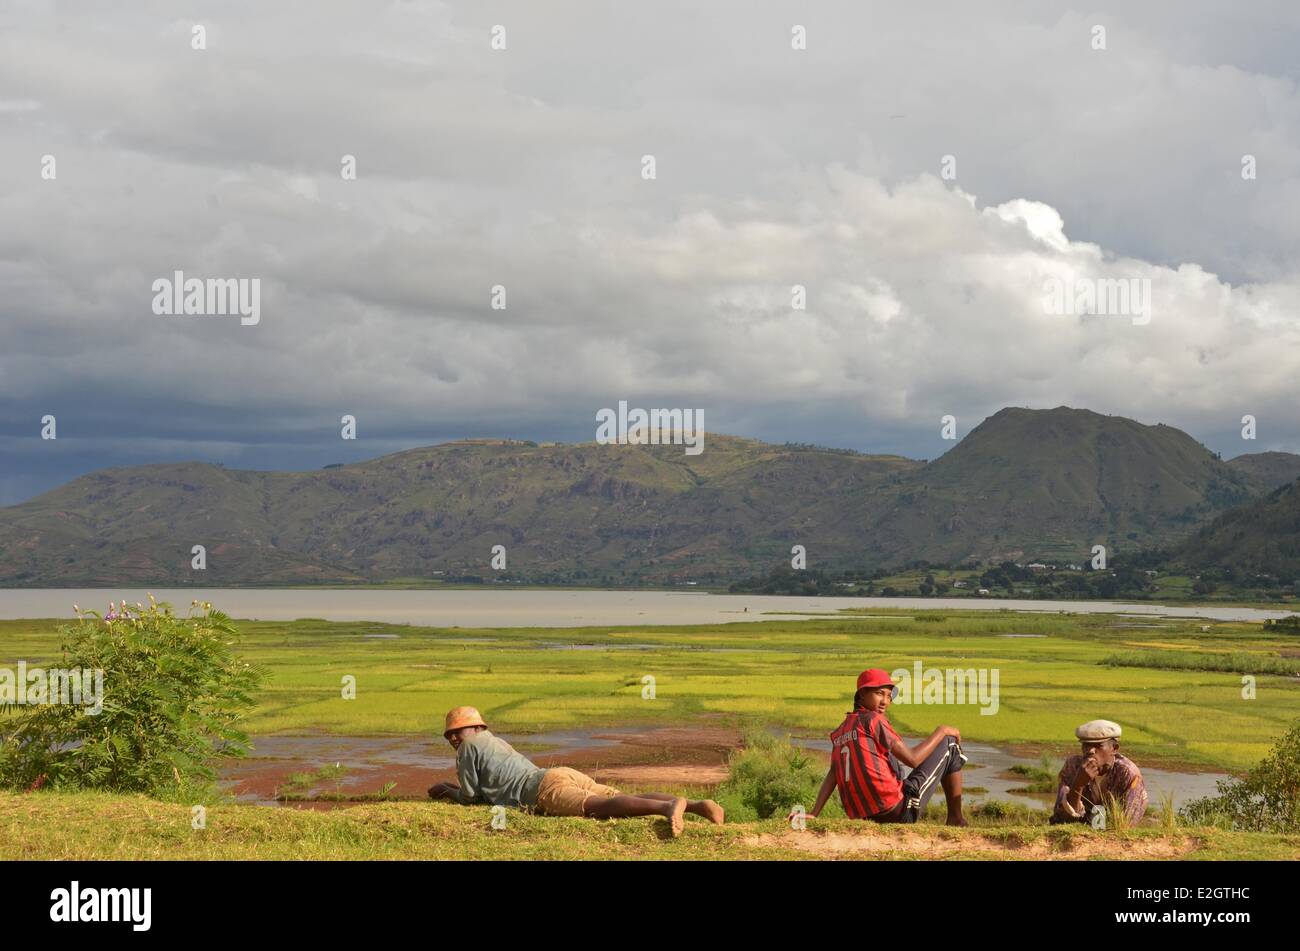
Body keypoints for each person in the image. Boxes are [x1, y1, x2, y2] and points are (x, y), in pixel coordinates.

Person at [427, 706, 725, 837]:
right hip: (559, 773)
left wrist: (445, 789)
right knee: (618, 797)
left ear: (475, 728)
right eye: (449, 735)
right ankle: (697, 806)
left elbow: (470, 798)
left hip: (544, 790)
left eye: (457, 731)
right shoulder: (494, 740)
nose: (454, 738)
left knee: (602, 808)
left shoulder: (468, 748)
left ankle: (668, 807)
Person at [799, 669, 968, 825]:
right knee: (949, 743)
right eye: (879, 694)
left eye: (889, 696)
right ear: (862, 694)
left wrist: (815, 812)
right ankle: (955, 818)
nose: (885, 702)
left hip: (865, 816)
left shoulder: (841, 731)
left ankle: (954, 818)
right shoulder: (874, 720)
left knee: (889, 759)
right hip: (898, 812)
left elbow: (834, 773)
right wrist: (941, 730)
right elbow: (913, 759)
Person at [1050, 719, 1147, 826]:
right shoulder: (1073, 766)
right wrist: (1078, 785)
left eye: (1098, 746)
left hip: (1111, 838)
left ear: (1114, 749)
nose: (1090, 751)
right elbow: (1061, 819)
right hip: (1079, 835)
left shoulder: (1128, 773)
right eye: (1086, 745)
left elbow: (1127, 824)